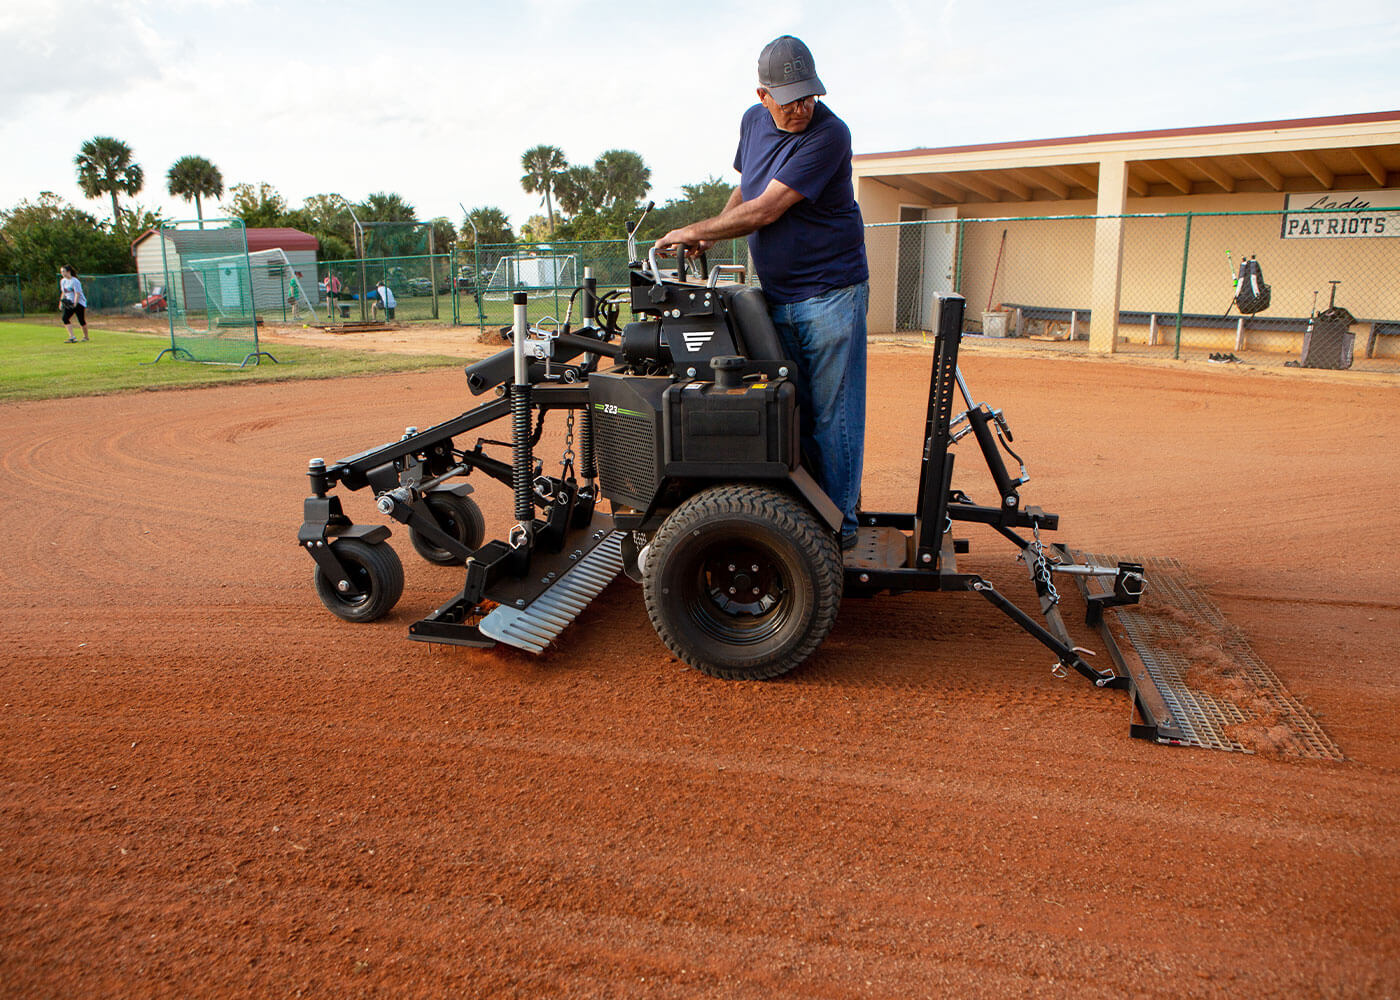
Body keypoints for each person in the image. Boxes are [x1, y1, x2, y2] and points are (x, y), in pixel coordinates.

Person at [654, 34, 869, 549]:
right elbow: (747, 190)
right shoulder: (752, 124)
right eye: (791, 97)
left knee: (831, 418)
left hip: (830, 295)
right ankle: (800, 520)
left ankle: (838, 529)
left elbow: (769, 208)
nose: (802, 106)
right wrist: (714, 228)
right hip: (777, 294)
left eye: (810, 94)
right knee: (787, 409)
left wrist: (690, 229)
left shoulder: (829, 134)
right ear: (762, 95)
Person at [59, 265, 90, 342]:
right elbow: (63, 292)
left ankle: (86, 337)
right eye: (61, 272)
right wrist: (61, 302)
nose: (62, 273)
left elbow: (77, 293)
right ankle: (72, 337)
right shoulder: (63, 281)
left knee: (81, 320)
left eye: (63, 271)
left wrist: (75, 303)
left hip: (79, 303)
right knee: (65, 318)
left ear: (68, 272)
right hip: (69, 303)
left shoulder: (75, 281)